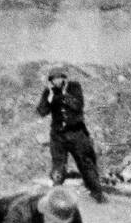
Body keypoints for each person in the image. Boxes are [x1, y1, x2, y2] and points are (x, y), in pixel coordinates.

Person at [36, 64, 105, 203]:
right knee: (58, 166)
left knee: (86, 163)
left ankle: (97, 193)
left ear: (64, 78)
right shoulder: (49, 92)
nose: (57, 81)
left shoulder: (74, 87)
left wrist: (62, 96)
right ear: (51, 80)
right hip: (58, 135)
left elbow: (78, 105)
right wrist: (49, 99)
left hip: (76, 133)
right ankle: (55, 195)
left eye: (59, 78)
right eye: (54, 79)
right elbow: (42, 112)